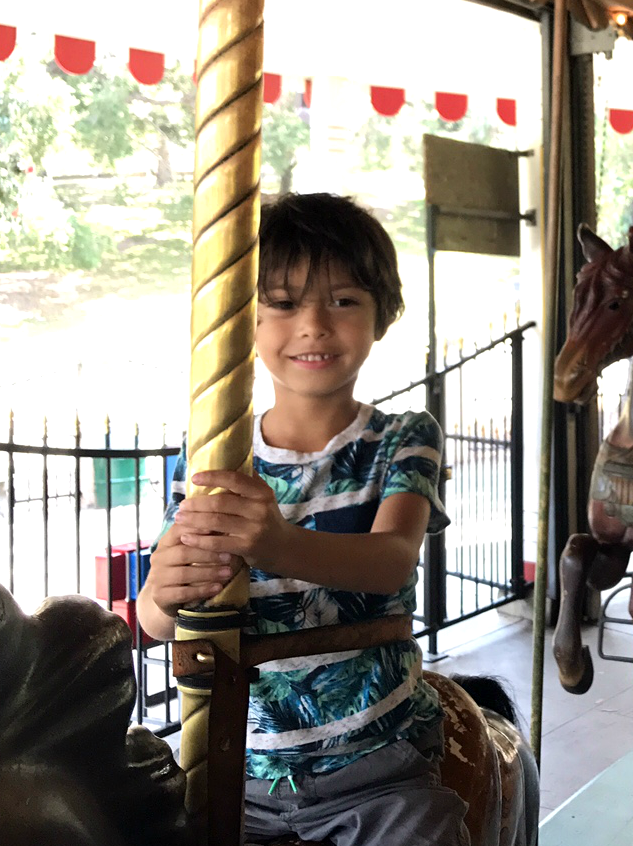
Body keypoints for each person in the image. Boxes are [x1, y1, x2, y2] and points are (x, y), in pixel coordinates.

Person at [136, 193, 468, 846]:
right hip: (236, 764)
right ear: (247, 320)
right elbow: (156, 618)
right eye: (284, 303)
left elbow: (391, 560)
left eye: (343, 300)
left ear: (380, 314)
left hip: (377, 764)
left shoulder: (402, 439)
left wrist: (278, 543)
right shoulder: (207, 456)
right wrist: (159, 595)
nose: (313, 325)